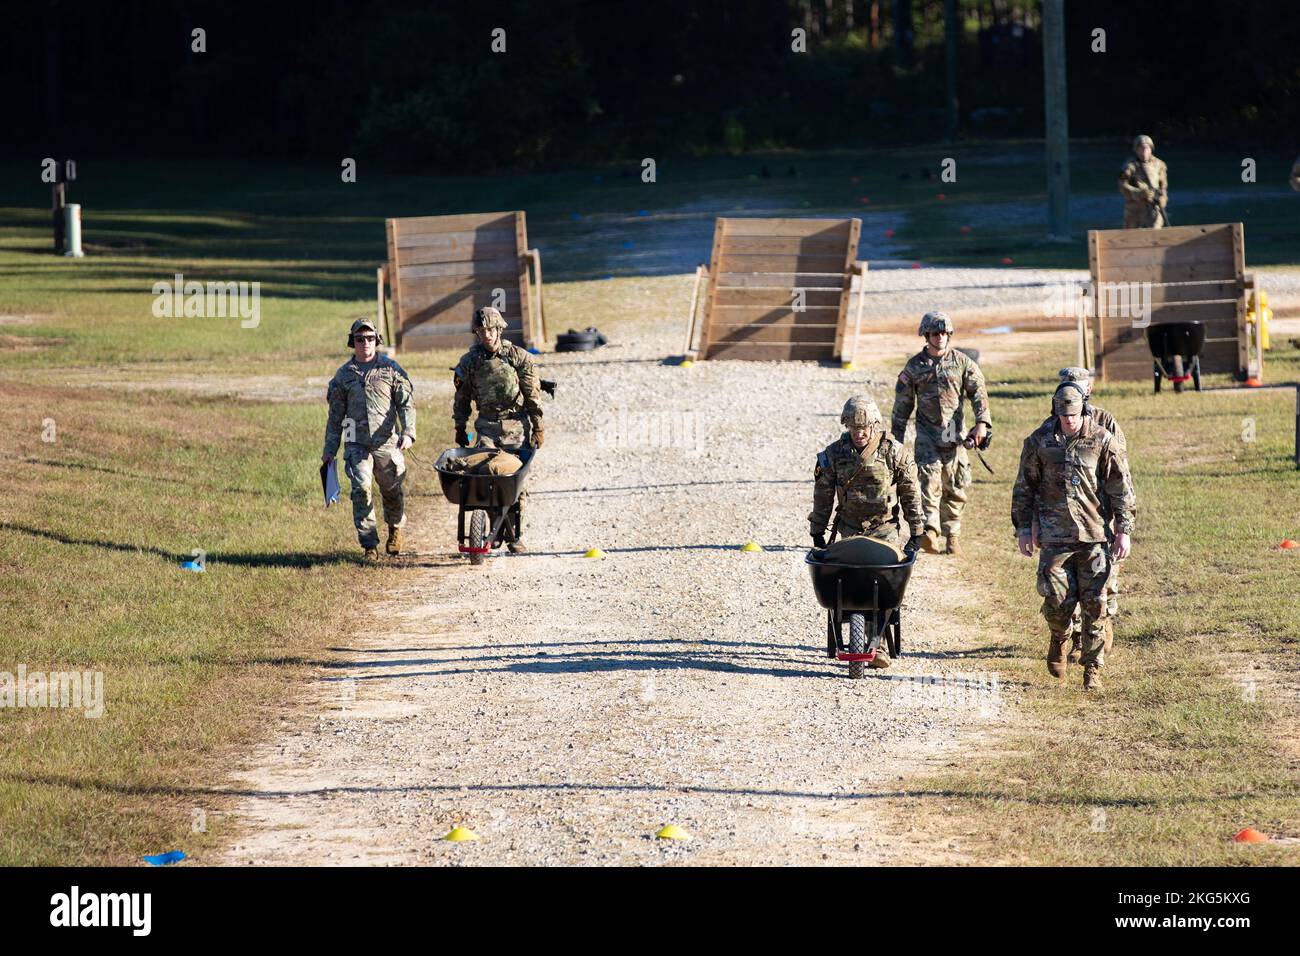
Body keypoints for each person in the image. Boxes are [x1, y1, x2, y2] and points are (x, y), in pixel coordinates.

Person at [1012, 385, 1136, 691]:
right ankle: (1060, 637)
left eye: (1075, 414)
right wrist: (1025, 528)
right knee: (1056, 601)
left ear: (1084, 410)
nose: (1069, 421)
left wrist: (1123, 530)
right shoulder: (1039, 442)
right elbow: (1024, 488)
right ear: (1056, 411)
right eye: (1064, 414)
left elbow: (1120, 488)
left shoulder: (1101, 440)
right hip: (1055, 537)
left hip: (1094, 535)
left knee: (1096, 605)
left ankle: (1092, 669)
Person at [809, 395, 925, 669]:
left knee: (883, 585)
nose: (859, 434)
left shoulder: (894, 453)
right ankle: (853, 635)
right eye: (853, 428)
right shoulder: (834, 454)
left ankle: (879, 645)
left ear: (874, 425)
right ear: (846, 426)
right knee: (849, 585)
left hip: (884, 531)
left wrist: (917, 531)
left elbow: (911, 493)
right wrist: (818, 532)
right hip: (849, 531)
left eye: (864, 428)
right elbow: (823, 496)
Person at [1038, 368, 1129, 664]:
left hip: (1098, 520)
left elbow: (1119, 472)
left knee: (1102, 588)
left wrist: (1119, 521)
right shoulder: (1049, 429)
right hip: (1062, 525)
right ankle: (1071, 638)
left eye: (1079, 387)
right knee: (1062, 594)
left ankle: (1096, 638)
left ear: (1088, 389)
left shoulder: (1105, 424)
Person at [891, 311, 992, 556]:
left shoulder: (962, 363)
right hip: (926, 435)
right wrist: (896, 439)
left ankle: (952, 535)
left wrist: (982, 423)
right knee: (928, 480)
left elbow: (978, 393)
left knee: (955, 486)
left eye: (945, 333)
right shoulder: (914, 366)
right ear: (926, 336)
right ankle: (931, 530)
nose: (941, 337)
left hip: (954, 436)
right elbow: (902, 404)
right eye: (936, 333)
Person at [322, 318, 416, 560]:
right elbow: (335, 417)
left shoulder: (391, 370)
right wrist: (329, 450)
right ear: (352, 342)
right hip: (356, 443)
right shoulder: (343, 376)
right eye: (360, 339)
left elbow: (406, 405)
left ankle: (395, 528)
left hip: (386, 441)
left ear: (377, 340)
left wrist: (408, 432)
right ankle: (369, 545)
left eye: (370, 338)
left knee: (392, 489)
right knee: (361, 489)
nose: (365, 343)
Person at [452, 307, 544, 552]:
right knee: (485, 476)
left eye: (490, 330)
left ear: (499, 330)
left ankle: (514, 535)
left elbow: (532, 395)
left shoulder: (518, 357)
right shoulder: (469, 362)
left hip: (516, 425)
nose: (486, 335)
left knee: (514, 481)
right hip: (487, 427)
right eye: (480, 331)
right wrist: (460, 427)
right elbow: (462, 399)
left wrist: (538, 426)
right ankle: (492, 524)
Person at [1119, 134, 1168, 228]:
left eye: (1147, 148)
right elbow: (1122, 185)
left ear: (1151, 149)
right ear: (1136, 150)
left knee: (1155, 234)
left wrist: (1162, 199)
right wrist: (1138, 193)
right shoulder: (1129, 166)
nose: (1144, 151)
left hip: (1154, 207)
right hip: (1135, 208)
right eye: (1141, 148)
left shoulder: (1159, 165)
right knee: (1130, 237)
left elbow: (1163, 187)